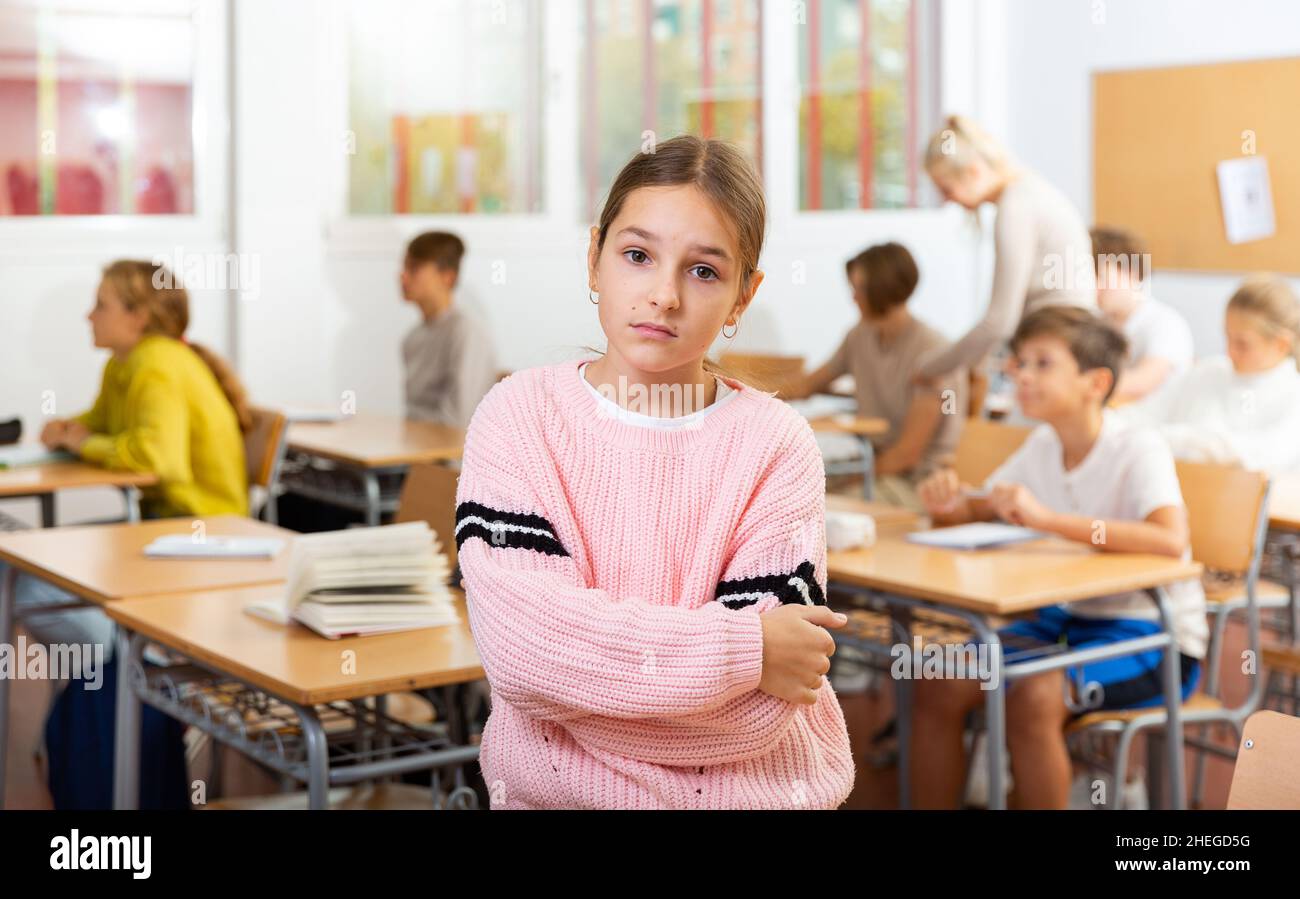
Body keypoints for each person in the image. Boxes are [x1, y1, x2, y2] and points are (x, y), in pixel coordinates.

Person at [455, 135, 856, 809]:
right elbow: (524, 654)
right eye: (637, 256)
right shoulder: (518, 416)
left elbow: (757, 714)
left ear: (743, 296)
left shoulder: (776, 445)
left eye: (703, 271)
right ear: (594, 258)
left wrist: (587, 688)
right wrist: (747, 651)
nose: (664, 295)